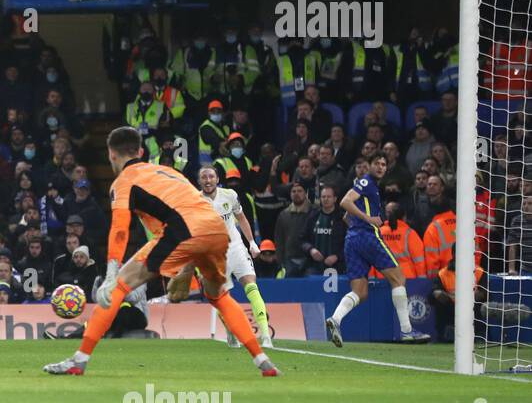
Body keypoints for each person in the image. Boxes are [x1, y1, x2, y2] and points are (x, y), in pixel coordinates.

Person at [44, 127, 279, 377]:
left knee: (119, 287)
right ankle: (263, 360)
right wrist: (186, 264)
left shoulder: (123, 182)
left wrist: (112, 271)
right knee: (219, 296)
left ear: (111, 155)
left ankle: (79, 360)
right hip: (216, 230)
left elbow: (121, 229)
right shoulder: (168, 172)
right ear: (142, 151)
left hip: (184, 229)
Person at [326, 153, 431, 346]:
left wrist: (357, 224)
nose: (381, 167)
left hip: (352, 240)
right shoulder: (366, 182)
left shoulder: (370, 185)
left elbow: (345, 217)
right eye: (377, 164)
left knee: (360, 292)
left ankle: (335, 319)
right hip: (368, 236)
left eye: (384, 164)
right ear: (369, 166)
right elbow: (344, 202)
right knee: (399, 278)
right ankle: (407, 331)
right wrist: (368, 219)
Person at [198, 166, 271, 348]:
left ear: (217, 179)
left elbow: (242, 218)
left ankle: (265, 335)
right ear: (200, 181)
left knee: (251, 285)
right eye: (204, 177)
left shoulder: (230, 195)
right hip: (213, 254)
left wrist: (252, 242)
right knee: (222, 296)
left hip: (236, 247)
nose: (208, 180)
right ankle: (231, 331)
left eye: (211, 176)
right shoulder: (195, 201)